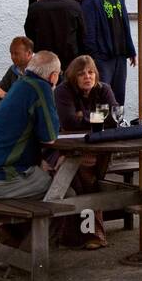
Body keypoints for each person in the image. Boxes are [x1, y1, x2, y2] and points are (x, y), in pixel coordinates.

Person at [0, 51, 62, 247]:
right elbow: (50, 137)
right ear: (53, 76)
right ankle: (29, 250)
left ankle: (14, 234)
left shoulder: (20, 85)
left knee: (48, 181)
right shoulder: (41, 88)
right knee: (63, 191)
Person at [53, 55, 118, 249]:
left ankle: (78, 235)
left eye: (91, 73)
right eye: (82, 74)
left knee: (85, 174)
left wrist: (85, 116)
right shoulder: (63, 91)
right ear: (73, 76)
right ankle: (90, 234)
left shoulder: (104, 89)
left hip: (101, 150)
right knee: (85, 176)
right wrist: (97, 118)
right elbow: (69, 122)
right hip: (69, 149)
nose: (87, 77)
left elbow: (113, 119)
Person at [80, 0, 137, 107]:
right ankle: (101, 125)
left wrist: (131, 50)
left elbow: (125, 24)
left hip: (120, 56)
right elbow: (88, 32)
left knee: (119, 96)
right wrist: (94, 56)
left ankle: (117, 123)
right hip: (102, 58)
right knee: (101, 97)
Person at [24, 0, 85, 71]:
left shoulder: (35, 8)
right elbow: (82, 34)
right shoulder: (74, 5)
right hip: (69, 57)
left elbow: (29, 33)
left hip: (45, 58)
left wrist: (38, 2)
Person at [0, 36, 34, 100]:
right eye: (11, 53)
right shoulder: (13, 69)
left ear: (29, 53)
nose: (12, 57)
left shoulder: (38, 71)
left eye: (16, 53)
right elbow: (1, 90)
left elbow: (29, 101)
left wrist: (4, 95)